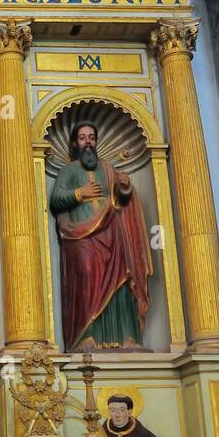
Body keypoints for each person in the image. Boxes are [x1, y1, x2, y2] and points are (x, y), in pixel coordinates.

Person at [49, 120, 152, 351]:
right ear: (75, 143)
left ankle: (127, 336)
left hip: (112, 235)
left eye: (92, 138)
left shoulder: (107, 168)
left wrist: (125, 186)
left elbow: (123, 198)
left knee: (123, 280)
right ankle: (86, 336)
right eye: (83, 138)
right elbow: (56, 200)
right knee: (86, 275)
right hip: (81, 238)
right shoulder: (69, 171)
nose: (88, 142)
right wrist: (79, 193)